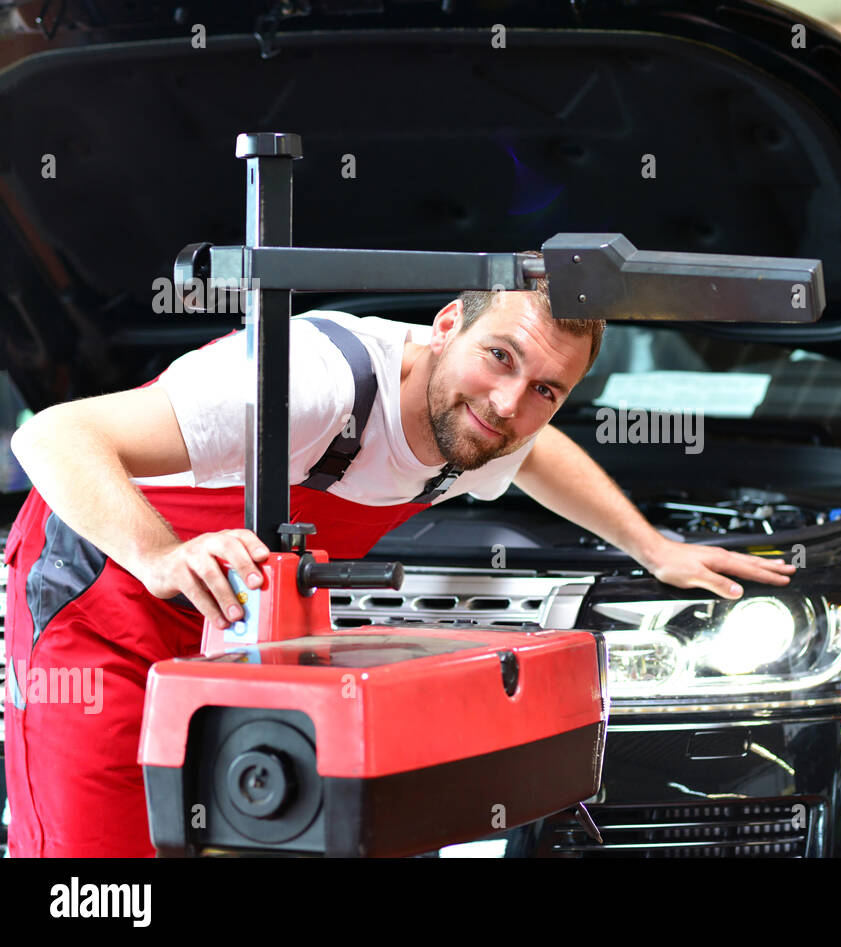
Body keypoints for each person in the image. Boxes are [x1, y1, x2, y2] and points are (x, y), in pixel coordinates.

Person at [3, 273, 795, 857]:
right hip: (103, 602)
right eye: (500, 357)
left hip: (240, 631)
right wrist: (161, 553)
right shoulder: (313, 379)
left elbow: (536, 455)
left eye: (546, 389)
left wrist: (652, 546)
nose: (510, 404)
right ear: (446, 324)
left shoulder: (485, 427)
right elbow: (52, 438)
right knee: (97, 875)